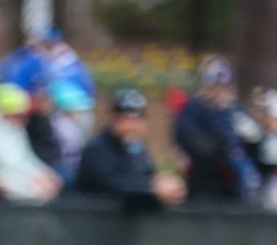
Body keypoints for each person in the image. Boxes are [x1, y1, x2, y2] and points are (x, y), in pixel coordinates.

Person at [73, 88, 186, 209]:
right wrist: (151, 188)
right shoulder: (97, 149)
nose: (132, 126)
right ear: (114, 120)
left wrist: (161, 183)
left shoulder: (136, 148)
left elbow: (145, 174)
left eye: (136, 120)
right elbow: (111, 184)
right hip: (92, 220)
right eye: (125, 119)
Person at [173, 56, 259, 202]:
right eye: (215, 87)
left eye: (224, 87)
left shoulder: (237, 111)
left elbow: (252, 147)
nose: (220, 91)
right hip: (204, 184)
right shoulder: (193, 110)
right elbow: (201, 149)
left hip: (238, 186)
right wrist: (223, 121)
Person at [0, 82, 61, 203]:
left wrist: (45, 173)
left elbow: (26, 155)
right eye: (18, 115)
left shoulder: (16, 129)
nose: (23, 120)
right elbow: (8, 161)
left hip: (18, 178)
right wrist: (35, 177)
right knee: (37, 190)